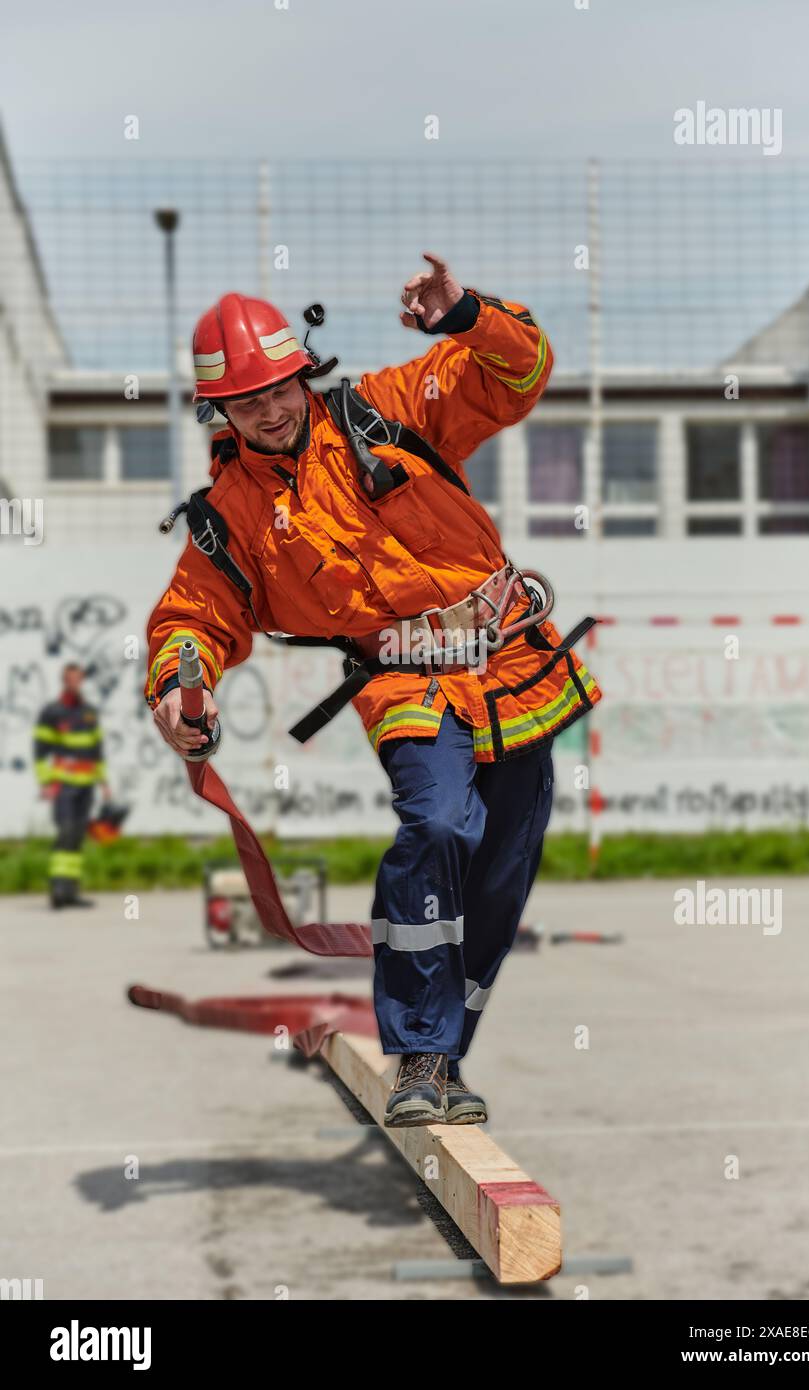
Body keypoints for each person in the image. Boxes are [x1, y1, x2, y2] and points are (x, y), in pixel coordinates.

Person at [145, 253, 600, 1126]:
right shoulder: (233, 511)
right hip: (407, 687)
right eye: (247, 400)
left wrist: (467, 314)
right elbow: (191, 618)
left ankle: (445, 1061)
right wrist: (182, 680)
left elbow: (521, 371)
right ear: (221, 411)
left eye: (280, 387)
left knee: (502, 872)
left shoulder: (389, 409)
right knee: (434, 825)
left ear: (302, 373)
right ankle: (421, 1055)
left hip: (513, 667)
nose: (270, 410)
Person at [33, 662, 108, 909]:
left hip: (86, 786)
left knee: (76, 837)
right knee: (65, 832)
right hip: (63, 785)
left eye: (78, 679)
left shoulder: (88, 712)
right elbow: (41, 750)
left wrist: (103, 782)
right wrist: (46, 782)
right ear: (64, 681)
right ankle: (58, 889)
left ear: (81, 681)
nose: (74, 683)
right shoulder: (52, 712)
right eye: (70, 679)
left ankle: (71, 892)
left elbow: (97, 750)